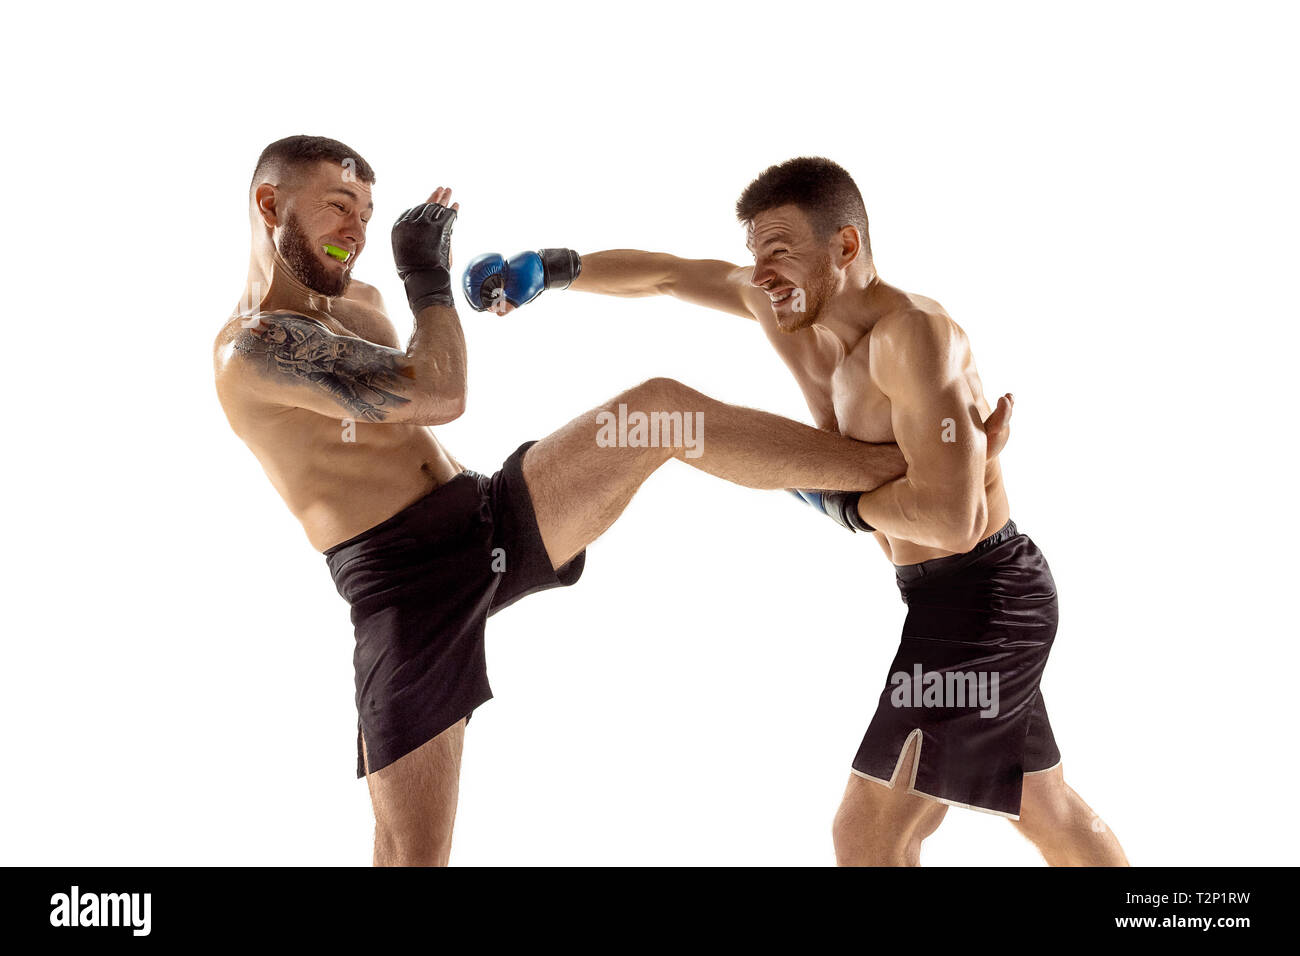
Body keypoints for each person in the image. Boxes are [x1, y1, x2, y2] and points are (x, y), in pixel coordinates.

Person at [213, 137, 1014, 866]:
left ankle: (892, 467)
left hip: (483, 516)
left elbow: (668, 276)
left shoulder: (361, 306)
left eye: (364, 209)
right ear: (269, 205)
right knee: (412, 854)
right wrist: (428, 276)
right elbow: (440, 390)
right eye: (336, 206)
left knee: (659, 410)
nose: (355, 227)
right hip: (401, 586)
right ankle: (896, 468)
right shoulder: (250, 347)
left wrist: (554, 268)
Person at [465, 156, 1125, 866]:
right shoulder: (785, 312)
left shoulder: (914, 338)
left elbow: (951, 521)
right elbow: (671, 275)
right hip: (953, 596)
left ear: (844, 247)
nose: (762, 274)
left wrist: (833, 497)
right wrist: (553, 269)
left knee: (870, 834)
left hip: (985, 599)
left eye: (780, 253)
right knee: (1045, 808)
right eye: (757, 256)